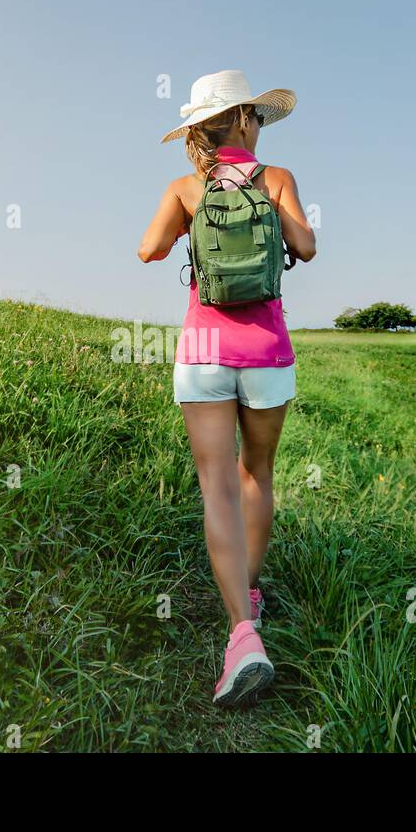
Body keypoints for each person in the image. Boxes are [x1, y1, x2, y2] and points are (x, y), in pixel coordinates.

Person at [138, 70, 316, 706]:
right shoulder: (277, 180)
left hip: (204, 352)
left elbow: (147, 251)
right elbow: (308, 246)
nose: (260, 126)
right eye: (257, 117)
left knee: (216, 485)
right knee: (255, 477)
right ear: (243, 121)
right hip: (267, 352)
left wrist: (191, 221)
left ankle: (241, 632)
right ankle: (251, 593)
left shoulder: (185, 187)